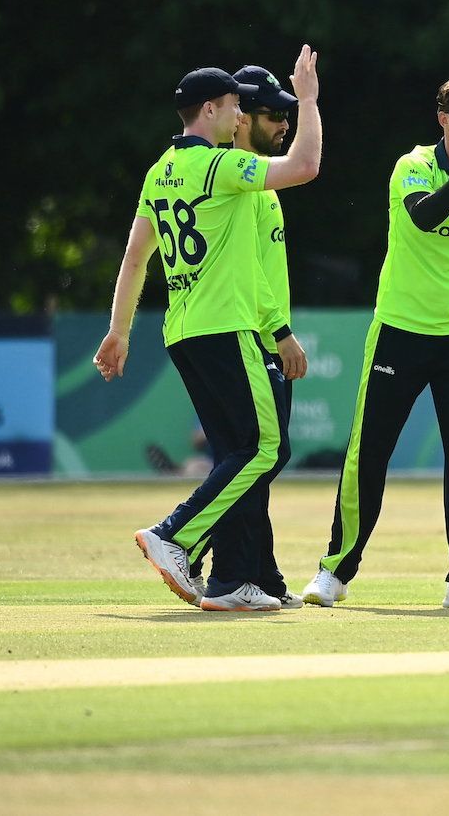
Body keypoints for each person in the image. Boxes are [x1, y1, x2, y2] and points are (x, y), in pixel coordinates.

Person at [302, 71, 449, 610]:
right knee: (370, 453)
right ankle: (334, 571)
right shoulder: (412, 165)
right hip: (400, 330)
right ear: (444, 121)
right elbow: (425, 217)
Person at [94, 47, 323, 611]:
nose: (241, 116)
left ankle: (240, 579)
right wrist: (309, 100)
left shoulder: (159, 172)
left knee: (239, 453)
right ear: (214, 109)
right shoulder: (219, 166)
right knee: (266, 447)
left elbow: (135, 257)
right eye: (234, 108)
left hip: (184, 332)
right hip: (229, 326)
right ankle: (175, 537)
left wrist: (119, 330)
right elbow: (304, 167)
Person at [184, 64, 309, 605]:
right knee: (257, 456)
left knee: (256, 459)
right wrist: (279, 332)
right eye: (273, 115)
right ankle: (212, 563)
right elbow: (250, 275)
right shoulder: (237, 183)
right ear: (240, 119)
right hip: (252, 339)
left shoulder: (258, 182)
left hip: (258, 338)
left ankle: (256, 574)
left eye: (287, 114)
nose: (284, 124)